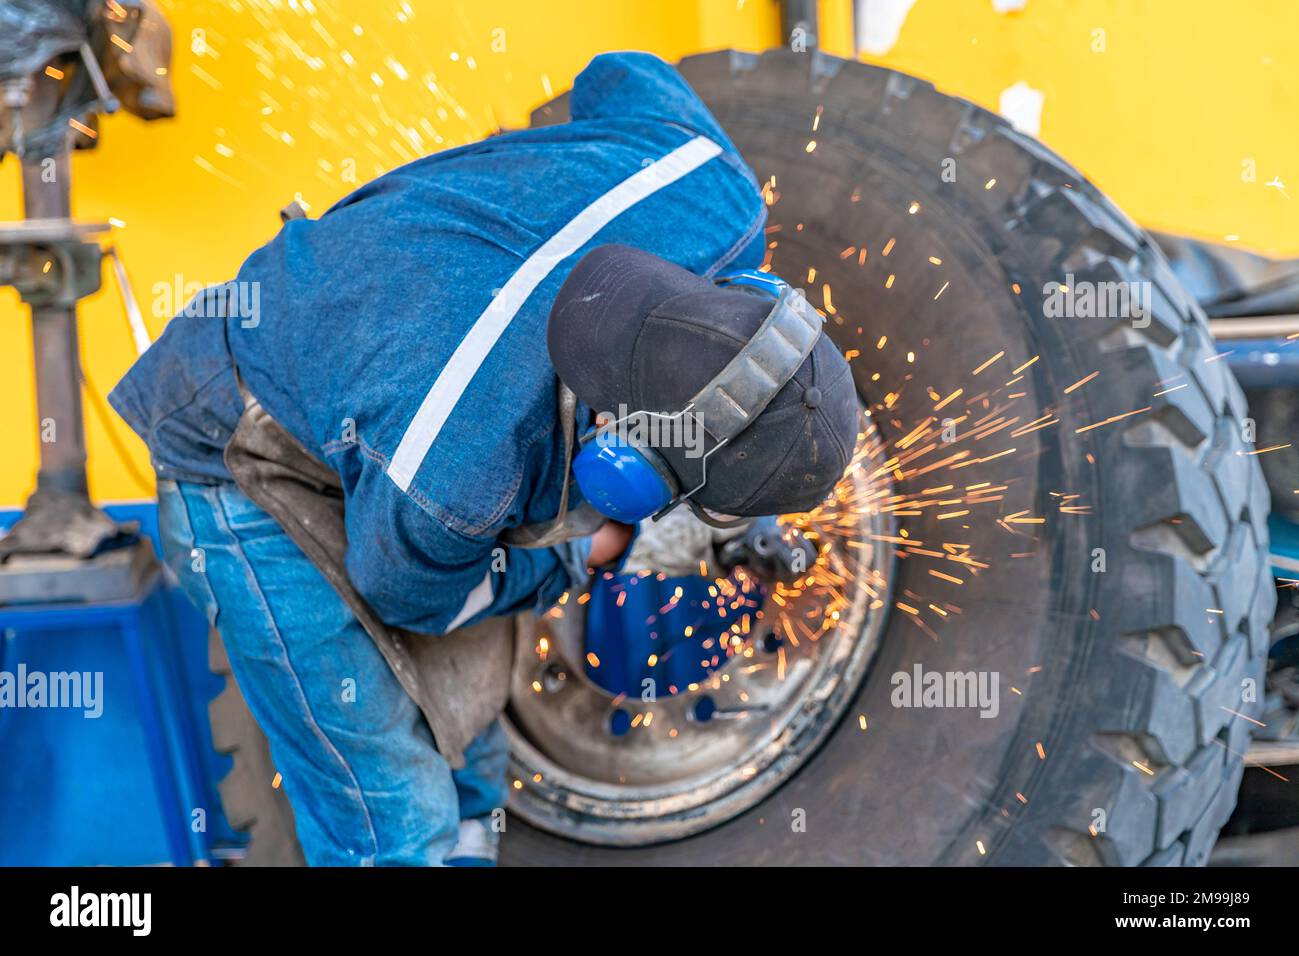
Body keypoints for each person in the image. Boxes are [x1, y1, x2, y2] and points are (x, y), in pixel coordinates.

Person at [109, 51, 858, 866]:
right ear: (627, 467)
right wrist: (583, 553)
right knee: (396, 820)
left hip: (376, 405)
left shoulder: (710, 182)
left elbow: (620, 71)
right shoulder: (462, 469)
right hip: (242, 456)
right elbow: (405, 599)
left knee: (471, 764)